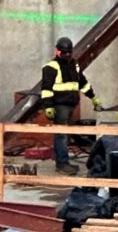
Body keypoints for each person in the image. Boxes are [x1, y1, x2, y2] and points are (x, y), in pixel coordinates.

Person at [39, 36, 97, 173]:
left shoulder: (74, 64)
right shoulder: (50, 67)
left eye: (69, 52)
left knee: (65, 135)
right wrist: (48, 106)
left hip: (71, 105)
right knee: (61, 135)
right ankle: (62, 164)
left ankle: (63, 161)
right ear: (57, 51)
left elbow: (82, 82)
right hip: (59, 106)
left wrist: (93, 97)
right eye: (64, 52)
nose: (67, 55)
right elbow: (46, 88)